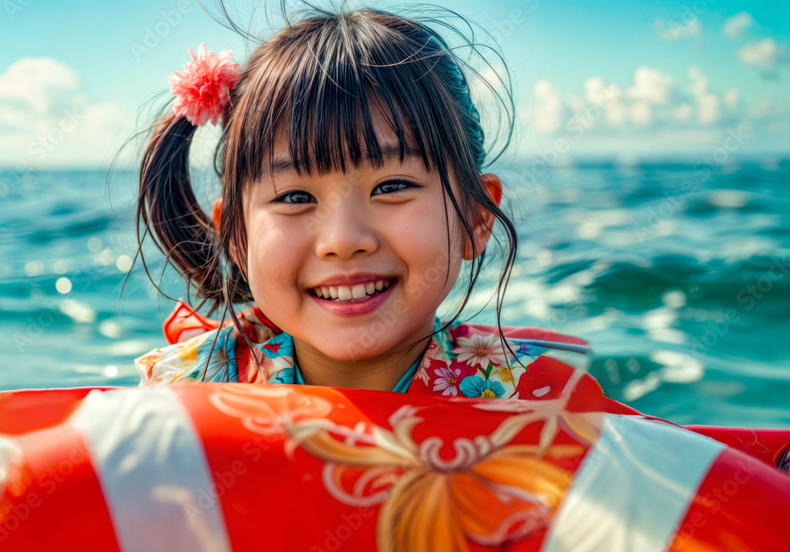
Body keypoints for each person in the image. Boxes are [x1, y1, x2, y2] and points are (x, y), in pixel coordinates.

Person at [130, 4, 599, 401]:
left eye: (392, 186)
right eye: (294, 196)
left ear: (476, 217)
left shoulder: (537, 402)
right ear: (237, 235)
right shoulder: (181, 398)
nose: (343, 241)